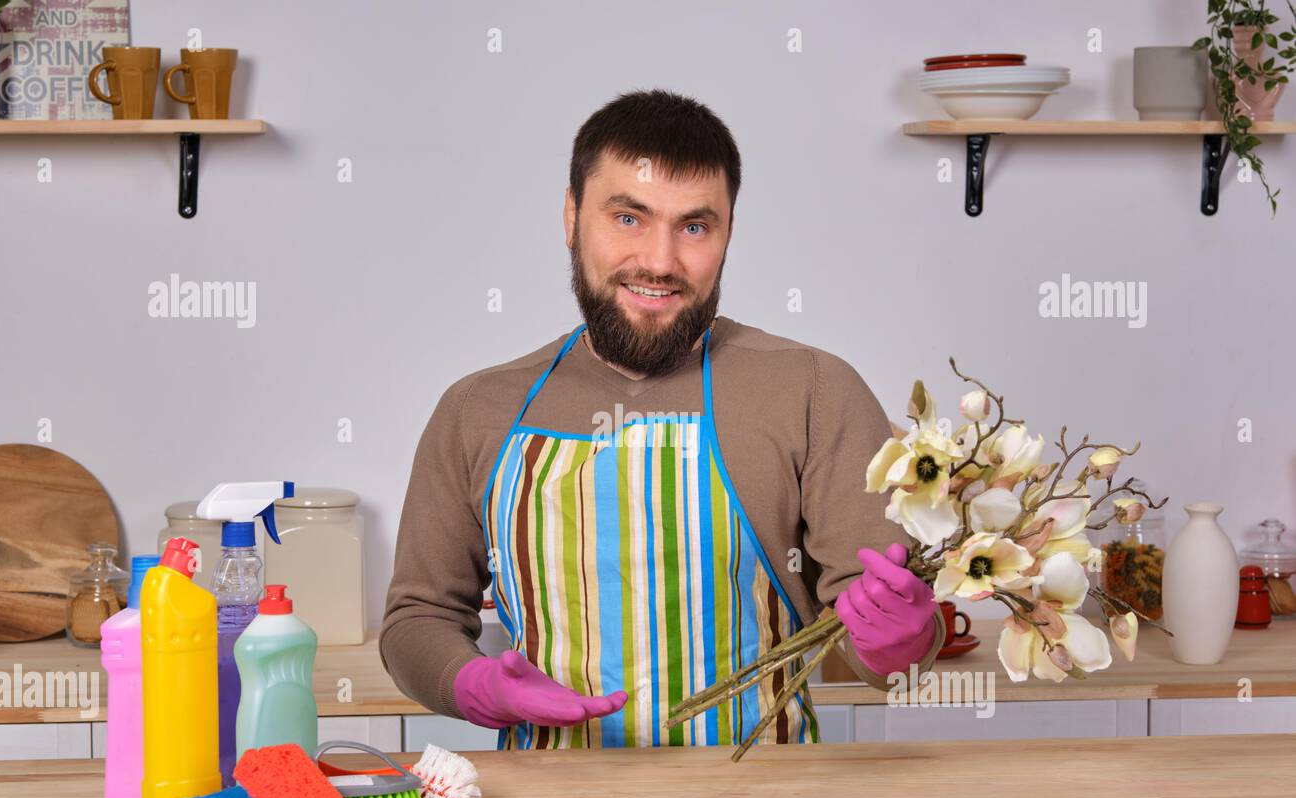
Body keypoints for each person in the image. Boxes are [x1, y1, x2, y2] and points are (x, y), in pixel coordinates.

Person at [380, 89, 943, 750]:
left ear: (729, 232)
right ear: (571, 216)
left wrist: (905, 641)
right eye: (628, 218)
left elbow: (886, 657)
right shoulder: (477, 410)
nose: (659, 261)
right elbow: (417, 618)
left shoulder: (813, 390)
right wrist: (471, 683)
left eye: (694, 227)